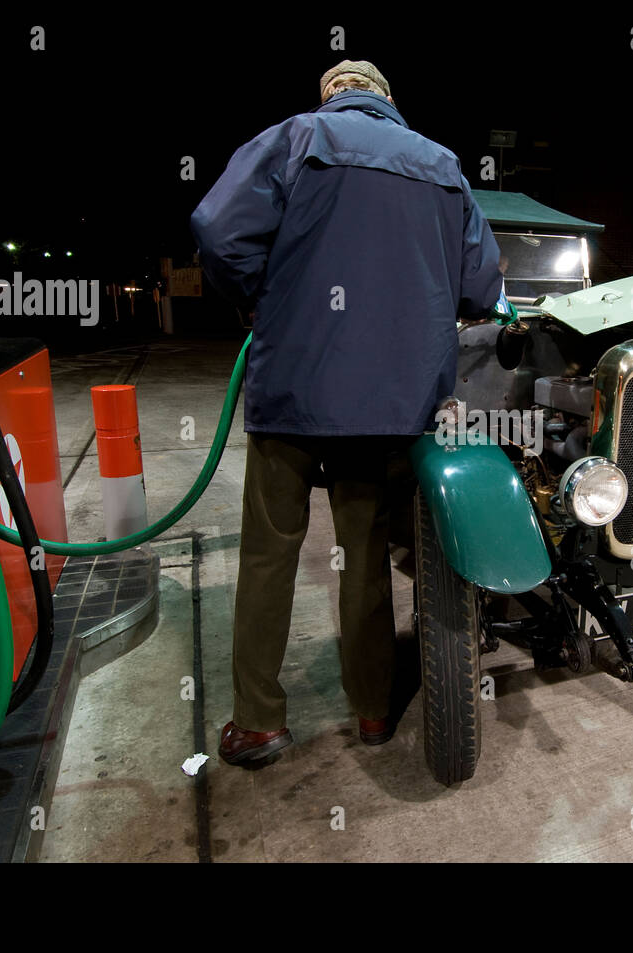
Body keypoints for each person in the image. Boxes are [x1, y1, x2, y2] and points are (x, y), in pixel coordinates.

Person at [191, 60, 510, 766]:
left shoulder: (296, 138)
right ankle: (371, 711)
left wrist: (258, 298)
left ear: (333, 95)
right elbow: (485, 282)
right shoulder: (441, 164)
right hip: (394, 403)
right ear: (387, 101)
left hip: (294, 394)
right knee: (364, 555)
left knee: (270, 552)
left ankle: (259, 722)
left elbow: (215, 229)